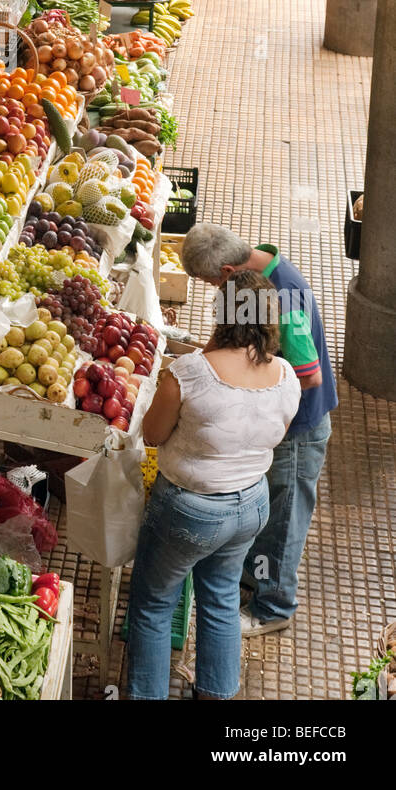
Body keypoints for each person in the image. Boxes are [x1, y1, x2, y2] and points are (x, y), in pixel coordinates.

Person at [126, 271, 300, 700]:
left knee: (153, 605)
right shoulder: (285, 376)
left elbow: (151, 434)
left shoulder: (190, 374)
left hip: (189, 509)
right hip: (251, 506)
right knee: (220, 600)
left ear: (221, 314)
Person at [180, 224, 338, 637]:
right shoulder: (256, 276)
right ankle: (254, 576)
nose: (211, 289)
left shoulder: (285, 296)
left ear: (229, 271)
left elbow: (309, 375)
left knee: (285, 520)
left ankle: (274, 607)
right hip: (278, 428)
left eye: (210, 282)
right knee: (268, 512)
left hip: (298, 430)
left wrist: (266, 405)